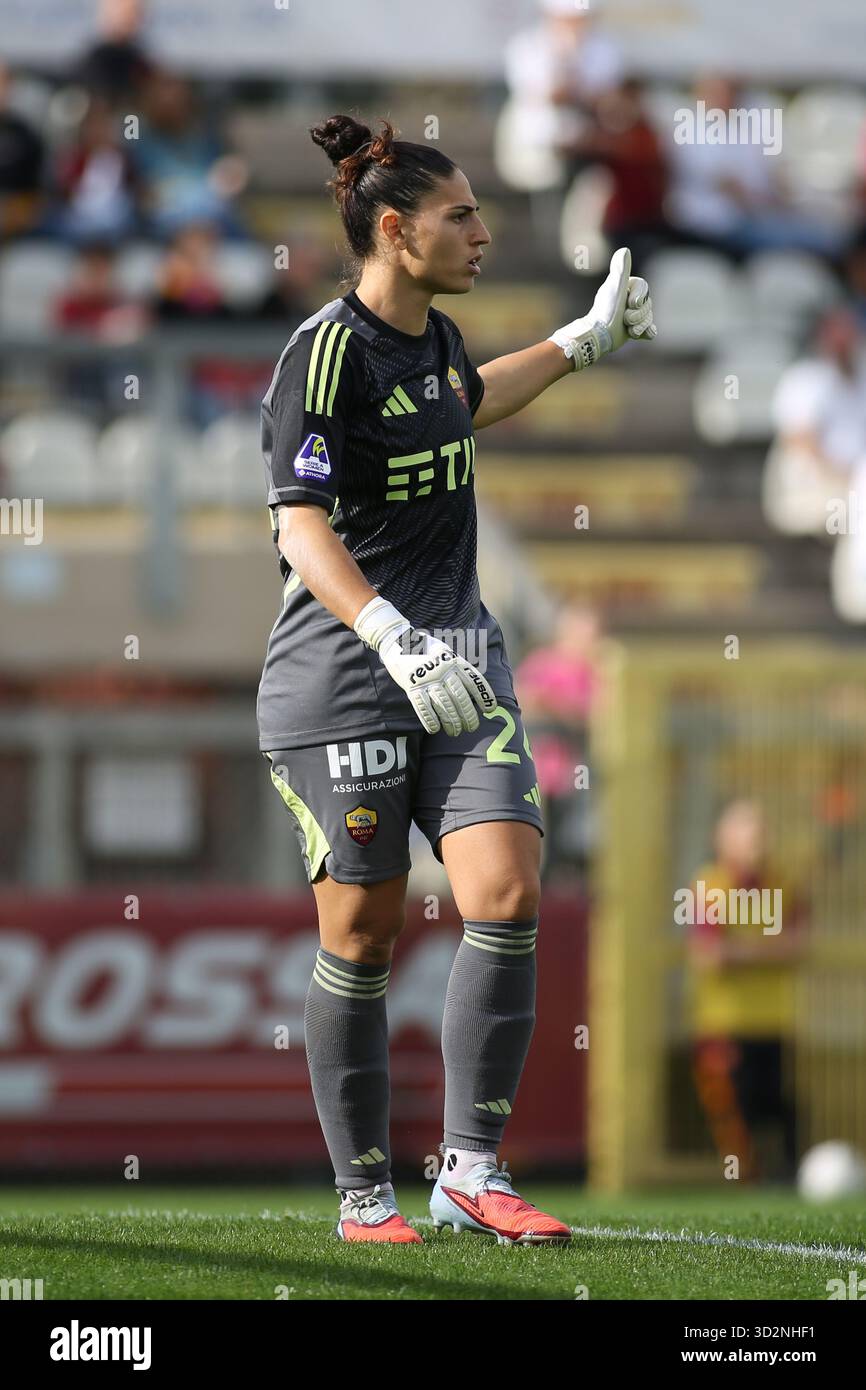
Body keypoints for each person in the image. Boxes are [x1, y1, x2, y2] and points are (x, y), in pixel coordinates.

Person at [257, 113, 655, 1244]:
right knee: (366, 933)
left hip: (462, 656)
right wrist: (389, 632)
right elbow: (299, 528)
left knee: (507, 891)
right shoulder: (321, 353)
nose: (483, 234)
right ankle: (364, 1194)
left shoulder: (431, 340)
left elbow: (466, 402)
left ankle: (470, 1171)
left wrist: (582, 341)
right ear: (393, 229)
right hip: (344, 674)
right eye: (460, 216)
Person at [685, 800, 803, 1183]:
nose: (759, 841)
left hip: (773, 1022)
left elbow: (799, 946)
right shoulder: (709, 885)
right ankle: (745, 1181)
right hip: (724, 1025)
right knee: (736, 1114)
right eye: (749, 832)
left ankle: (783, 1176)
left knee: (779, 1105)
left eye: (762, 832)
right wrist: (768, 949)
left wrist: (740, 950)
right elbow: (709, 955)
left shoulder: (783, 883)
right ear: (723, 839)